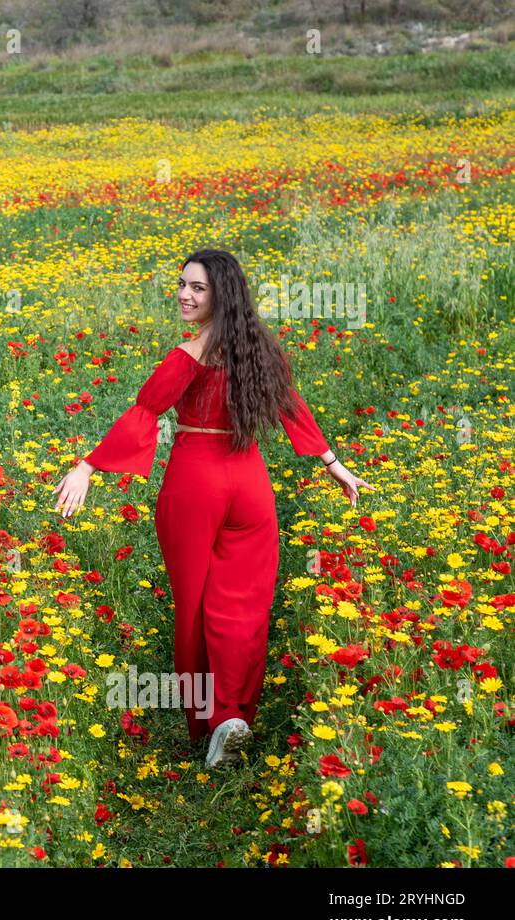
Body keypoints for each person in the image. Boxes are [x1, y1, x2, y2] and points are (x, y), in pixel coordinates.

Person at [53, 249, 375, 769]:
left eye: (197, 288)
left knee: (195, 608)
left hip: (195, 483)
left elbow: (145, 411)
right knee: (243, 604)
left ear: (221, 294)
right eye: (182, 284)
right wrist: (332, 462)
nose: (184, 294)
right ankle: (234, 715)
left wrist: (88, 467)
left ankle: (208, 723)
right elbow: (290, 404)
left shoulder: (191, 352)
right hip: (250, 484)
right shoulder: (259, 348)